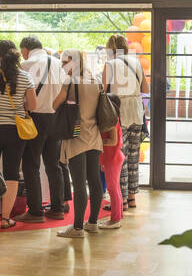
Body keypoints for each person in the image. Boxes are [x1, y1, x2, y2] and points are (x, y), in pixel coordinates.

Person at [0, 40, 39, 230]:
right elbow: (33, 105)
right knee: (11, 174)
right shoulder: (25, 77)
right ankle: (5, 219)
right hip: (15, 130)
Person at [53, 48, 104, 238]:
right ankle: (92, 222)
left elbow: (54, 104)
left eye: (64, 62)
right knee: (94, 180)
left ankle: (77, 228)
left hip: (76, 136)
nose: (61, 65)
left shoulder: (70, 82)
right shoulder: (95, 81)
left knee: (79, 183)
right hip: (94, 135)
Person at [17, 36, 68, 221]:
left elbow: (21, 93)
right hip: (56, 116)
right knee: (53, 164)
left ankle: (36, 211)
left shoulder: (26, 64)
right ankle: (57, 208)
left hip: (36, 117)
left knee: (31, 164)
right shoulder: (57, 62)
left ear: (25, 49)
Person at [101, 34, 148, 211]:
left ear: (110, 48)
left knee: (119, 156)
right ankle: (132, 197)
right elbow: (145, 89)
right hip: (136, 111)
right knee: (133, 156)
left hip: (119, 112)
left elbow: (103, 91)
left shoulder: (110, 64)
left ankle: (121, 202)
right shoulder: (136, 63)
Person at [98, 120, 124, 229]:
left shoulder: (111, 119)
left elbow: (113, 141)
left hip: (113, 158)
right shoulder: (110, 118)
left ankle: (115, 219)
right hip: (111, 157)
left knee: (113, 189)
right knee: (115, 189)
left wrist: (97, 141)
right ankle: (118, 216)